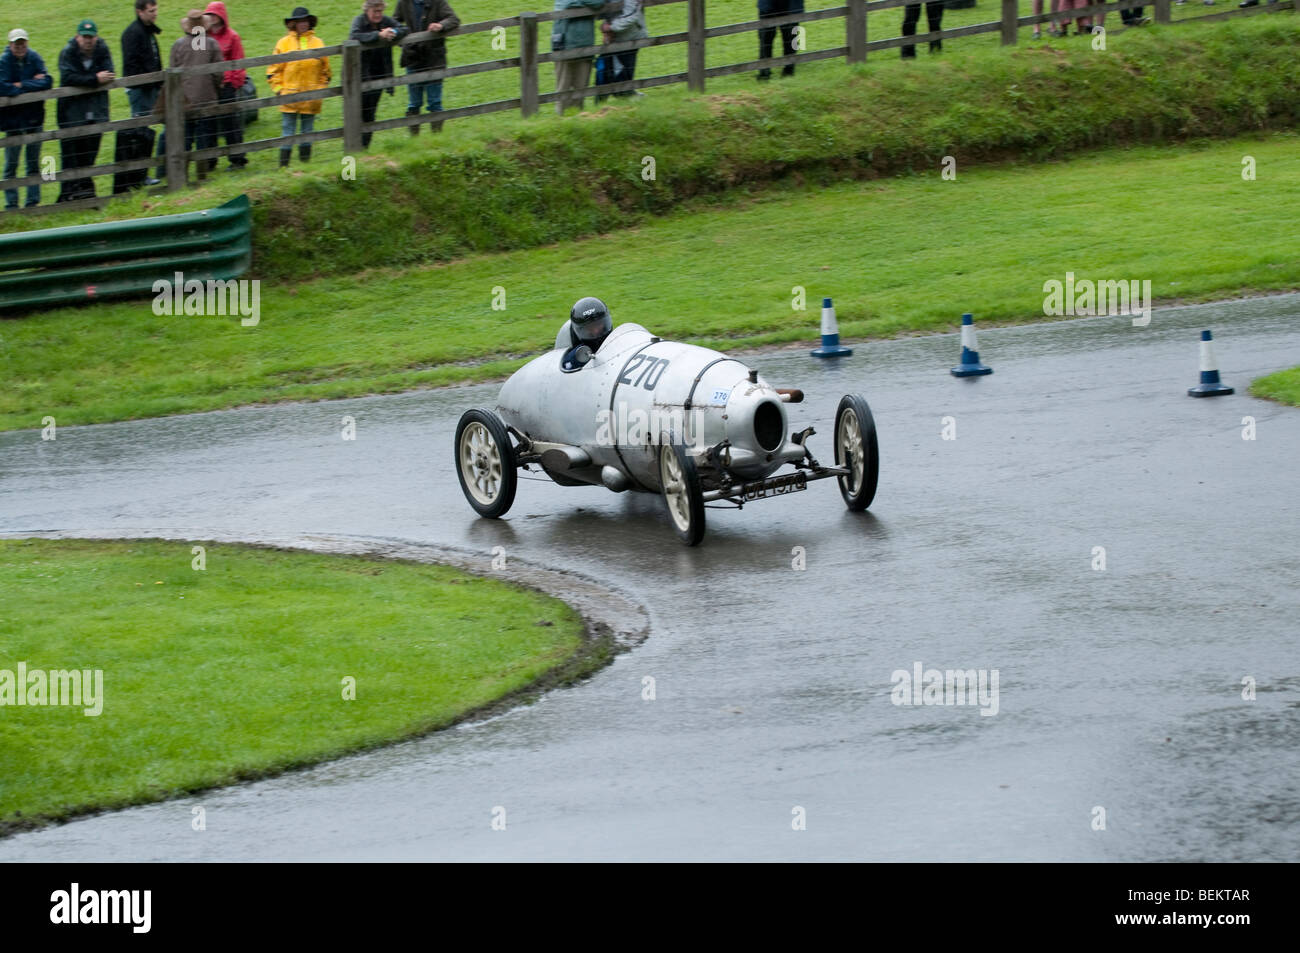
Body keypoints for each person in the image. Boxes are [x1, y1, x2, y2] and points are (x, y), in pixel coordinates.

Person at [56, 19, 114, 203]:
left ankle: (85, 194)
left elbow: (110, 73)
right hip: (72, 113)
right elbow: (68, 77)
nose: (88, 40)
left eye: (91, 37)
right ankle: (68, 195)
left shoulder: (102, 50)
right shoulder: (68, 53)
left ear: (96, 37)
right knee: (71, 156)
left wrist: (86, 79)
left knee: (90, 155)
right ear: (77, 37)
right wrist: (94, 79)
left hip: (96, 112)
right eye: (84, 37)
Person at [162, 9, 222, 179]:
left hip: (184, 101)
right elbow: (218, 73)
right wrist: (215, 88)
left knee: (185, 138)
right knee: (204, 138)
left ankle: (182, 175)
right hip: (206, 98)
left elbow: (172, 74)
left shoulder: (178, 45)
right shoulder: (211, 44)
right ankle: (202, 175)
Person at [268, 7, 330, 167]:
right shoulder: (283, 43)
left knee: (307, 132)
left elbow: (326, 72)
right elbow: (273, 71)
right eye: (300, 21)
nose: (303, 24)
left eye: (305, 21)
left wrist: (320, 90)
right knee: (287, 132)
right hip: (289, 97)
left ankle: (304, 167)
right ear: (293, 23)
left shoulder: (318, 43)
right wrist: (279, 91)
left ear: (310, 23)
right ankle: (284, 168)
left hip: (311, 98)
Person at [1, 28, 52, 210]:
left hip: (33, 118)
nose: (20, 46)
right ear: (10, 45)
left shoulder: (34, 57)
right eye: (16, 44)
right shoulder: (4, 61)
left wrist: (21, 85)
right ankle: (12, 204)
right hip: (12, 122)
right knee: (11, 164)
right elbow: (2, 87)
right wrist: (32, 83)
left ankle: (32, 202)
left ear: (27, 43)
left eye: (22, 43)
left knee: (33, 163)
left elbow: (47, 81)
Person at [394, 0, 459, 136]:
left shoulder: (437, 2)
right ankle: (414, 139)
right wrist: (401, 37)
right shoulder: (404, 2)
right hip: (412, 57)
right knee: (414, 103)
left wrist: (440, 25)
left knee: (435, 102)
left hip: (434, 59)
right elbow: (394, 22)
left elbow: (453, 19)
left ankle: (436, 138)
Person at [349, 0, 408, 148]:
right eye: (375, 11)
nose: (378, 14)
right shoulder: (359, 21)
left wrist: (393, 32)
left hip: (380, 74)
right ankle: (354, 147)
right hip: (360, 74)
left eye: (380, 11)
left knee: (370, 113)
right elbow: (354, 36)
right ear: (367, 10)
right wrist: (378, 35)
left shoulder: (386, 21)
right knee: (356, 113)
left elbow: (405, 29)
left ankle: (364, 148)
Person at [121, 0, 164, 184]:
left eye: (155, 10)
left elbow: (153, 59)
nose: (155, 14)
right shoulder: (133, 33)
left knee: (165, 123)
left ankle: (160, 168)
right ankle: (139, 175)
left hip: (151, 87)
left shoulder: (147, 31)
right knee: (141, 131)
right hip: (141, 90)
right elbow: (132, 65)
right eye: (151, 11)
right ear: (140, 12)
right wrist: (151, 81)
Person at [202, 2, 247, 170]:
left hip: (226, 85)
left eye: (214, 14)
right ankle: (209, 161)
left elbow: (239, 61)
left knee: (230, 123)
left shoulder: (232, 36)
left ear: (221, 16)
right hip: (207, 86)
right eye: (209, 14)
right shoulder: (201, 35)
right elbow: (195, 58)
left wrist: (234, 83)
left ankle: (237, 159)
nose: (211, 17)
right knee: (208, 123)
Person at [550, 0, 606, 115]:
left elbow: (599, 2)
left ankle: (577, 119)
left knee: (581, 88)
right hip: (564, 44)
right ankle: (562, 119)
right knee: (563, 88)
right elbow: (568, 4)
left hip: (585, 45)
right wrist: (588, 5)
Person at [599, 0, 646, 99]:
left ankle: (625, 93)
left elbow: (631, 14)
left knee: (625, 68)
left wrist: (610, 27)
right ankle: (621, 94)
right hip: (616, 36)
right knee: (613, 68)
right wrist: (606, 27)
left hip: (630, 36)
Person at [561, 296, 613, 372]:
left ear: (605, 322)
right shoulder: (578, 355)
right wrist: (580, 360)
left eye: (598, 324)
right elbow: (566, 367)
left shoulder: (616, 339)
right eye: (590, 328)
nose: (596, 331)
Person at [756, 0, 802, 80]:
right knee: (766, 37)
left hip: (790, 5)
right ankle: (764, 71)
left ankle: (789, 69)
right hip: (769, 5)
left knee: (790, 36)